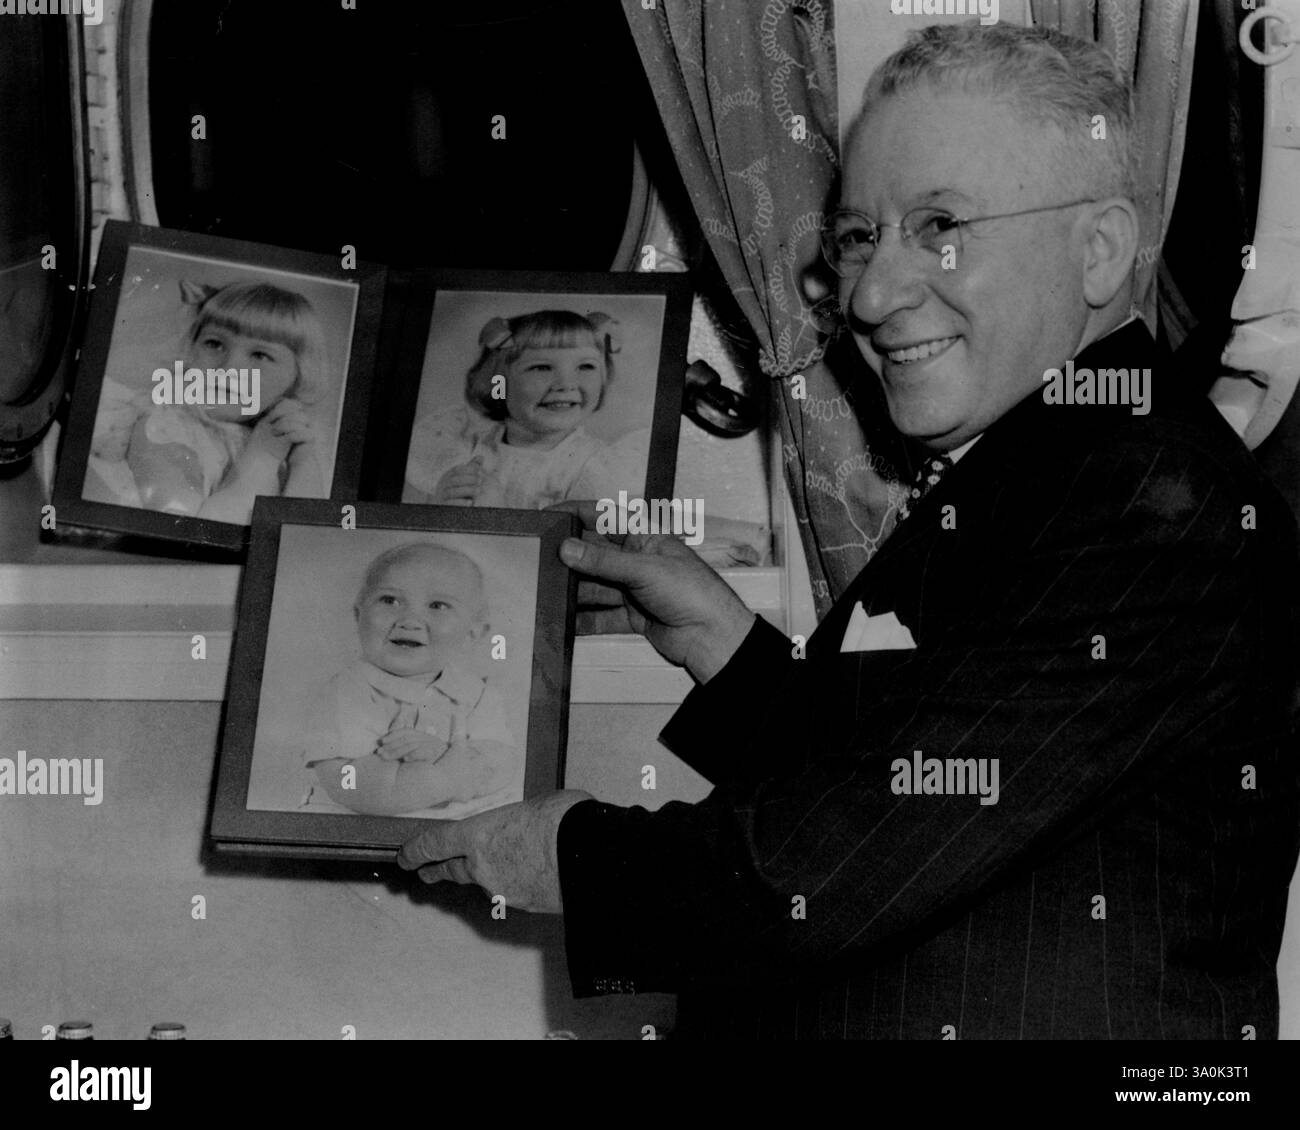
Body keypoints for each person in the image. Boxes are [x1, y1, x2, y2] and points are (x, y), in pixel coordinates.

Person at [397, 24, 1300, 1039]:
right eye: (860, 238)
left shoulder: (1151, 502)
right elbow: (909, 776)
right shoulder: (1049, 460)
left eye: (940, 226)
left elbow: (838, 858)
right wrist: (724, 645)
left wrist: (567, 852)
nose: (870, 296)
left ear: (1097, 249)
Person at [300, 542, 518, 819]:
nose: (410, 620)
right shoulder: (346, 692)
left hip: (457, 827)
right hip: (361, 827)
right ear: (358, 615)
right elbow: (351, 785)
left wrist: (442, 754)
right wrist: (443, 775)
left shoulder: (478, 694)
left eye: (438, 605)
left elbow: (502, 763)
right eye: (390, 600)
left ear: (474, 631)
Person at [86, 280, 327, 524]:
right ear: (190, 349)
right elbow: (187, 532)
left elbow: (306, 539)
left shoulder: (277, 442)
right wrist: (262, 459)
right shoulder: (166, 427)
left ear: (297, 379)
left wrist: (302, 461)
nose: (229, 366)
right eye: (214, 343)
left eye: (260, 355)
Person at [403, 309, 650, 510]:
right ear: (498, 382)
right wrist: (443, 502)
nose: (566, 384)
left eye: (585, 367)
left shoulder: (596, 467)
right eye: (542, 368)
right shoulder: (466, 446)